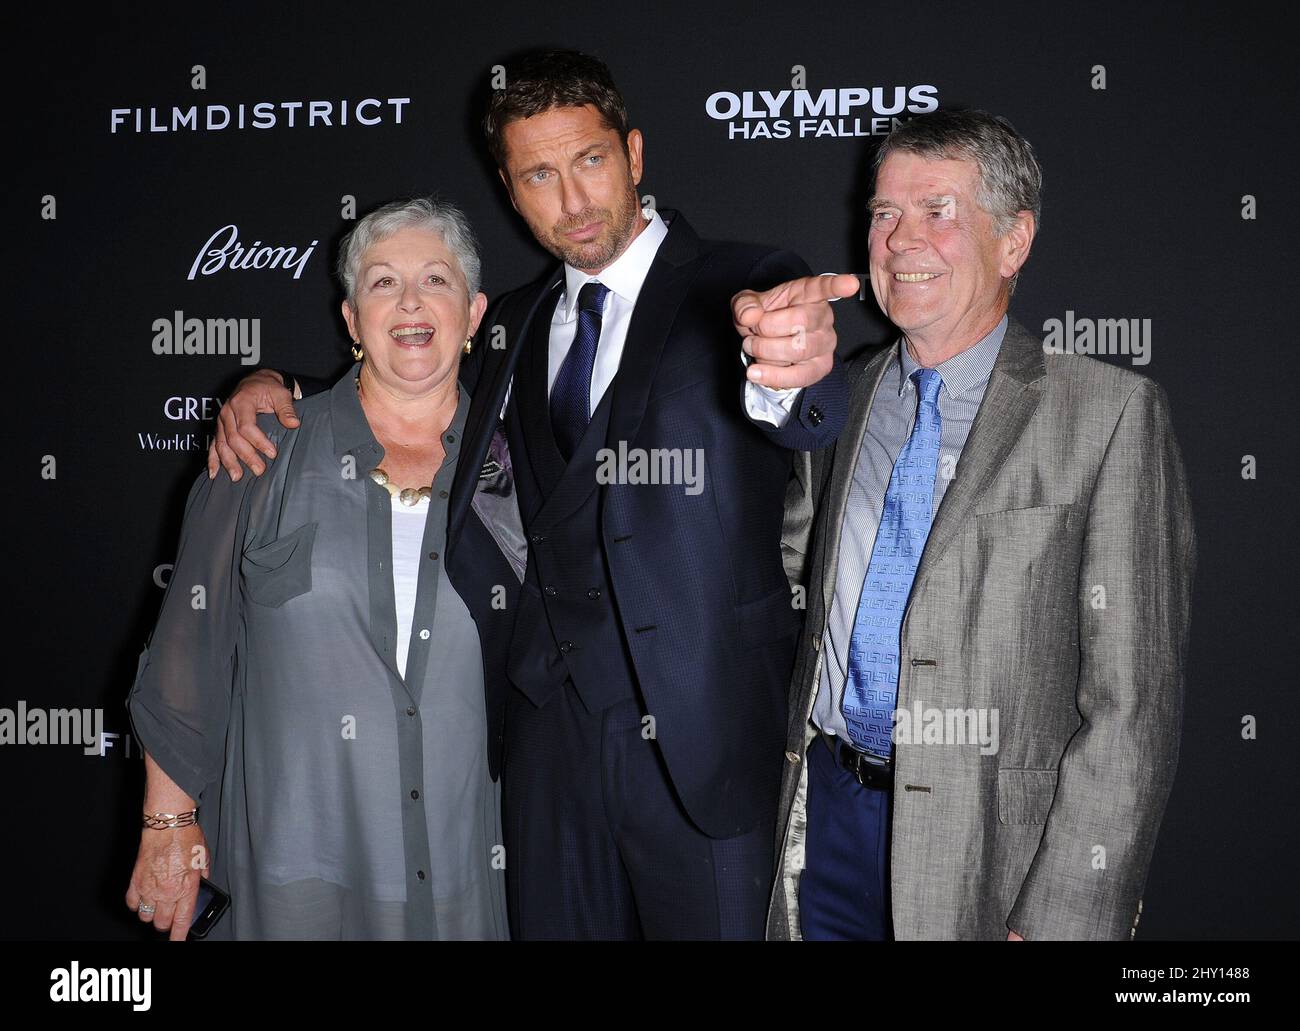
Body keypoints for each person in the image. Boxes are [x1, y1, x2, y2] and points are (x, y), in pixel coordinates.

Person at [209, 49, 859, 940]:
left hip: (699, 744)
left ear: (634, 153)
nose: (573, 198)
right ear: (513, 194)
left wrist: (795, 370)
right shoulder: (509, 321)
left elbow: (801, 395)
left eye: (590, 160)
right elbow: (403, 380)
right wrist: (265, 381)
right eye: (539, 176)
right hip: (546, 748)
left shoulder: (739, 288)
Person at [761, 109, 1196, 940]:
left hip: (997, 853)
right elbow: (790, 582)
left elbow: (1132, 710)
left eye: (938, 212)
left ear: (1014, 241)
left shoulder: (1108, 415)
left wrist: (1068, 911)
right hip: (830, 825)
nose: (899, 239)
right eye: (884, 213)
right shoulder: (841, 400)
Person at [125, 198, 522, 940]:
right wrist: (168, 822)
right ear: (350, 318)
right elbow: (188, 645)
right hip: (293, 873)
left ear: (472, 316)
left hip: (464, 868)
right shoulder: (262, 450)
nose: (409, 301)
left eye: (435, 279)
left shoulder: (521, 464)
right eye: (381, 282)